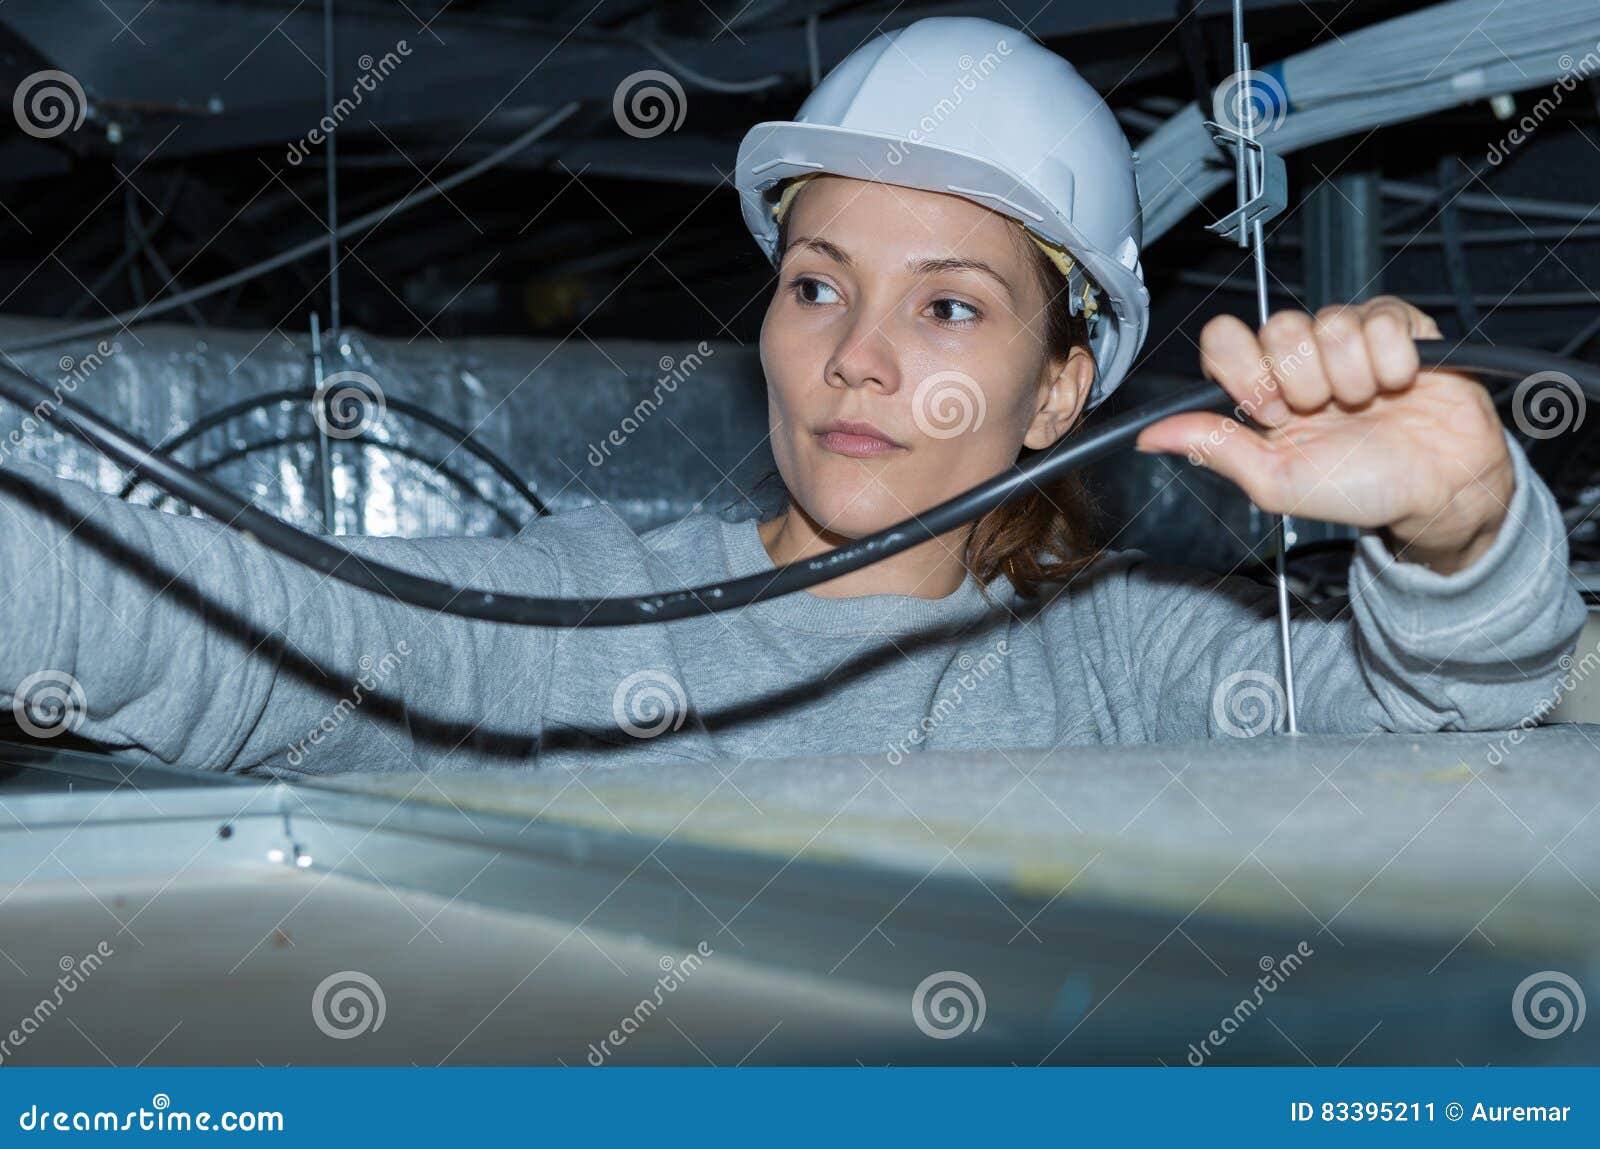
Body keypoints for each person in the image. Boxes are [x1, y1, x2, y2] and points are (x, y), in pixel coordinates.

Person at [0, 17, 1583, 779]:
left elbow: (1442, 744)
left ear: (1062, 390)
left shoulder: (1133, 657)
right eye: (818, 282)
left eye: (950, 305)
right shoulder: (590, 615)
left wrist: (1459, 539)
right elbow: (243, 623)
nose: (857, 355)